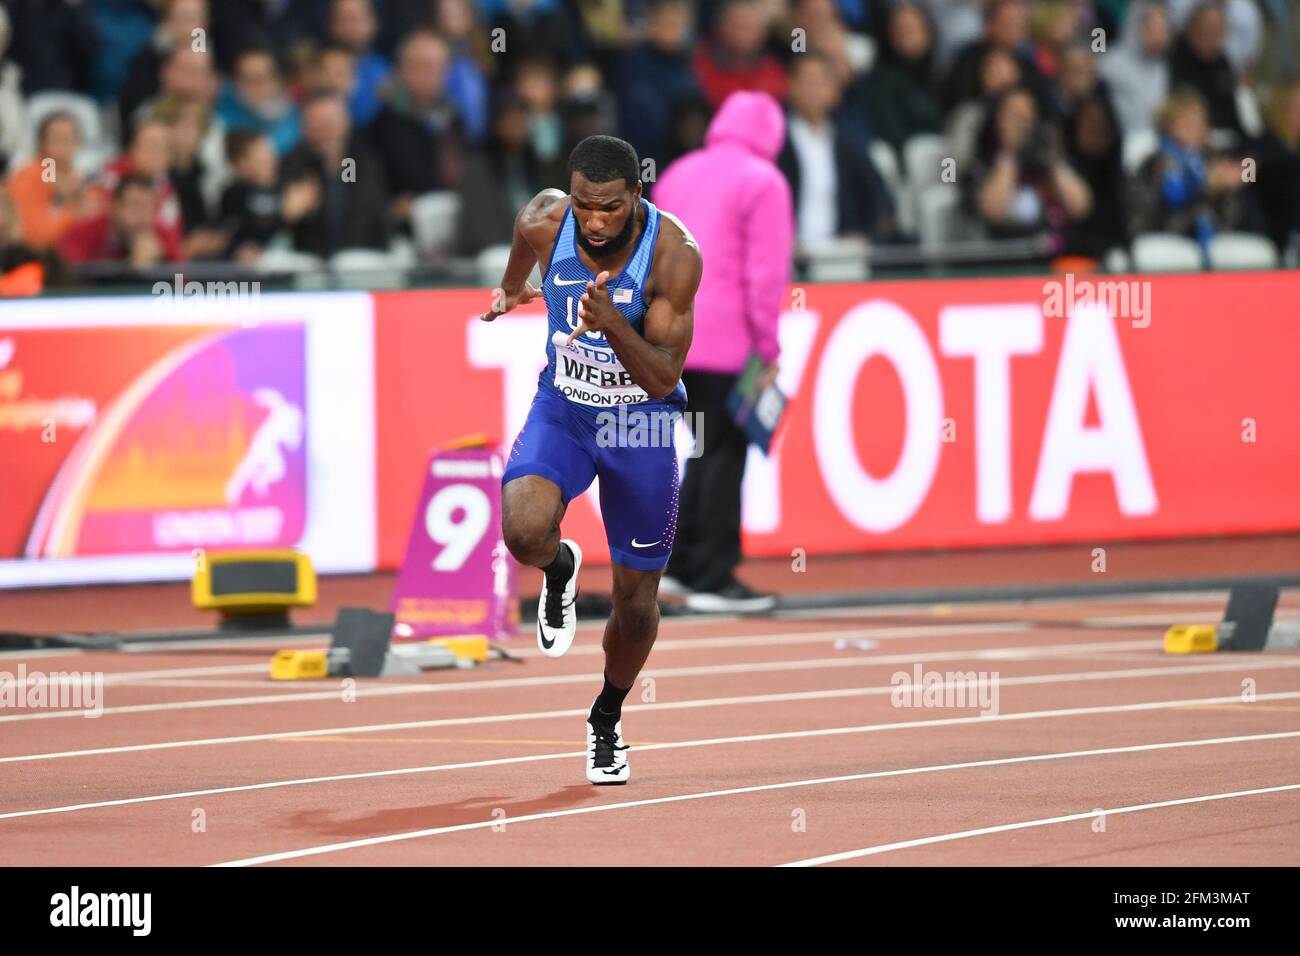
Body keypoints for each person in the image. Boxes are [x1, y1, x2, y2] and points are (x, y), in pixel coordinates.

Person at [480, 135, 702, 784]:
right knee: (522, 532)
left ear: (637, 195)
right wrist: (511, 289)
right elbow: (525, 240)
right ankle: (560, 566)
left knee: (635, 602)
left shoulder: (674, 257)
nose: (596, 221)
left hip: (644, 425)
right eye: (584, 207)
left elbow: (664, 378)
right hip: (567, 411)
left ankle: (606, 717)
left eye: (609, 207)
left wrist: (613, 325)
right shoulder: (550, 222)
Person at [654, 90, 793, 612]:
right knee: (722, 453)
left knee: (700, 449)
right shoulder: (764, 182)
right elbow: (765, 275)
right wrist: (768, 347)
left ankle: (680, 568)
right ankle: (712, 575)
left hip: (671, 336)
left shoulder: (679, 172)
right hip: (728, 342)